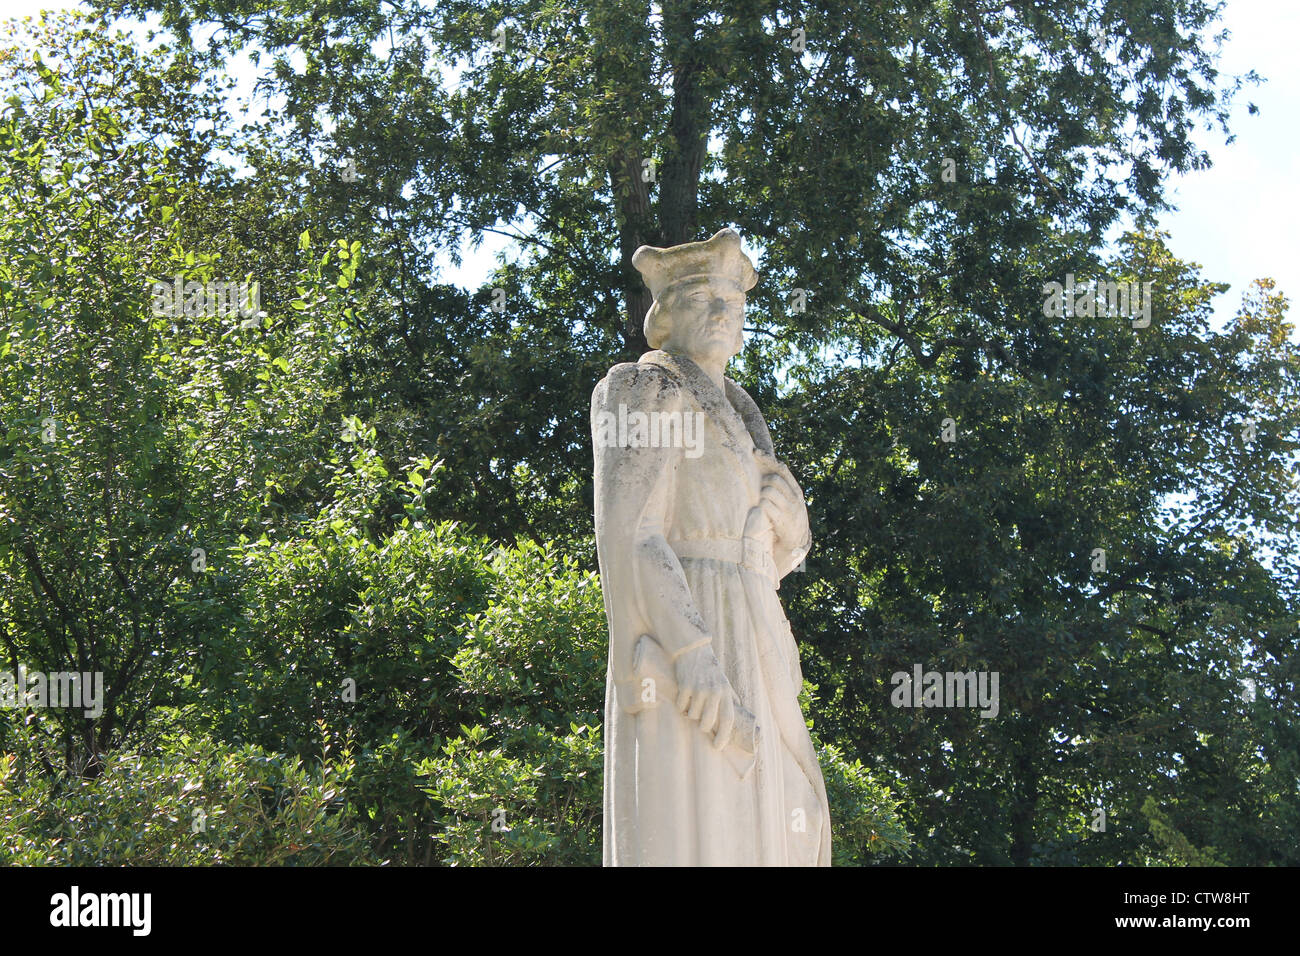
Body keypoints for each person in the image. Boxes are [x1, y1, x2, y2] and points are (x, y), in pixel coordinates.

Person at [592, 227, 832, 866]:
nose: (724, 315)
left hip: (753, 628)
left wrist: (794, 534)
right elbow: (630, 531)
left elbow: (767, 559)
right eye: (704, 300)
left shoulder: (745, 412)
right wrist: (691, 649)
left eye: (734, 302)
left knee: (778, 826)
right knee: (702, 824)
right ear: (665, 317)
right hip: (689, 622)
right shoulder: (644, 390)